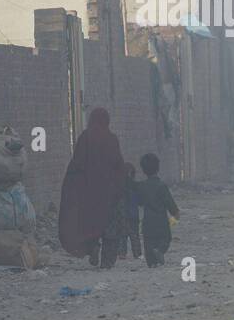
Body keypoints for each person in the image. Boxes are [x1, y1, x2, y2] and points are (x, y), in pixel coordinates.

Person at [58, 107, 127, 268]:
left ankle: (93, 247)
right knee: (109, 227)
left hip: (87, 192)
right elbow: (119, 165)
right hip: (108, 193)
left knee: (89, 224)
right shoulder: (112, 139)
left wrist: (72, 188)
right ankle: (107, 261)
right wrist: (120, 187)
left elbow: (76, 165)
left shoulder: (85, 138)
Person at [136, 153, 179, 267]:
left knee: (148, 243)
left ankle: (151, 262)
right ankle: (160, 251)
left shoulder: (142, 186)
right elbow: (169, 203)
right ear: (158, 168)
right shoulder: (161, 186)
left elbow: (139, 202)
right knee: (165, 239)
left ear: (144, 170)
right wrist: (175, 213)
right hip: (161, 221)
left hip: (147, 222)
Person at [119, 162, 143, 260]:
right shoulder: (136, 185)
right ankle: (137, 254)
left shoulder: (118, 186)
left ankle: (122, 254)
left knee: (122, 236)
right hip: (133, 214)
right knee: (135, 236)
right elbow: (140, 201)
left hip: (122, 214)